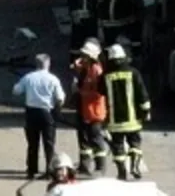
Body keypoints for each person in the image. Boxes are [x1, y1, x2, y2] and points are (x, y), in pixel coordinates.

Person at [100, 44, 151, 181]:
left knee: (118, 147)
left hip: (114, 121)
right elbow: (142, 93)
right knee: (135, 143)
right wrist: (146, 110)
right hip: (133, 119)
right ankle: (134, 166)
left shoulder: (106, 76)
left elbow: (100, 92)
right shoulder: (133, 72)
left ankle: (121, 172)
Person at [13, 54, 67, 180]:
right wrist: (57, 109)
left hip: (31, 113)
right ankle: (50, 170)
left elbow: (16, 91)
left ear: (36, 64)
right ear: (48, 64)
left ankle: (31, 170)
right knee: (49, 144)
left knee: (32, 143)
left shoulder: (28, 77)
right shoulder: (53, 79)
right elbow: (60, 98)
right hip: (47, 113)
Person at [71, 38, 108, 176]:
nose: (82, 57)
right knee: (83, 139)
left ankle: (100, 167)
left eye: (85, 55)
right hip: (84, 110)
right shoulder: (86, 68)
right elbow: (78, 67)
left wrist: (79, 91)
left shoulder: (96, 71)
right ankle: (84, 165)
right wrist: (77, 63)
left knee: (96, 140)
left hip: (94, 112)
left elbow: (97, 93)